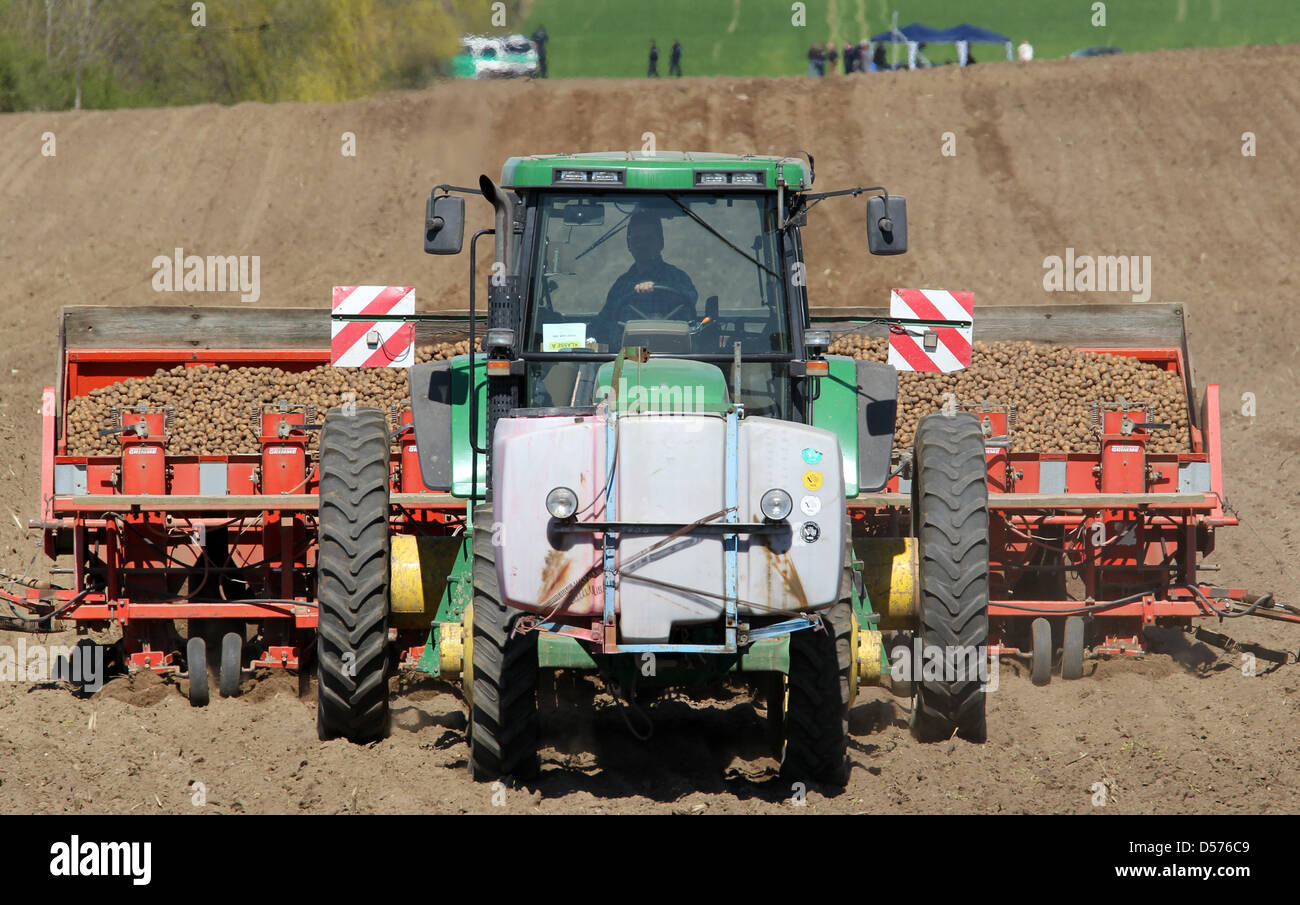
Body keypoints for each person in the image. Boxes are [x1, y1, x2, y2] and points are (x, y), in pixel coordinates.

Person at [591, 211, 698, 344]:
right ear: (629, 245)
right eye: (636, 239)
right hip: (628, 356)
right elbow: (604, 321)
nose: (642, 245)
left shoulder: (677, 278)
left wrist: (657, 287)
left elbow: (690, 298)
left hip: (673, 353)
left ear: (661, 243)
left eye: (648, 239)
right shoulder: (621, 285)